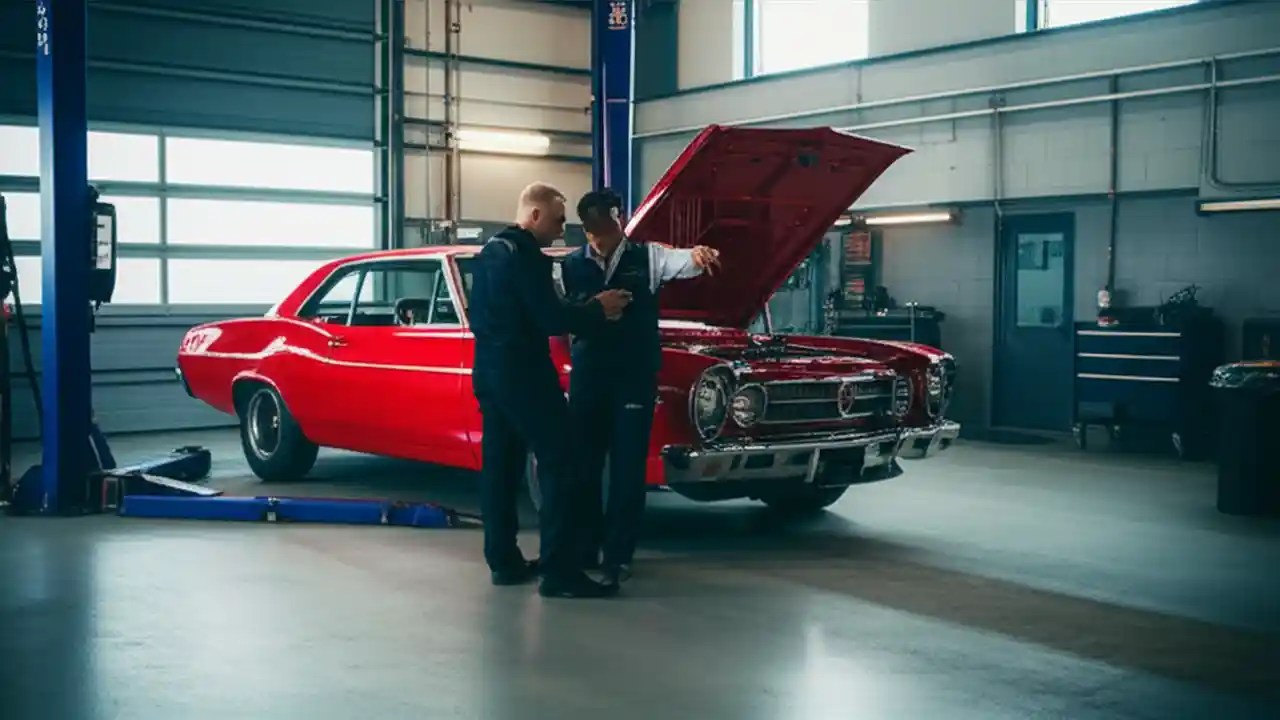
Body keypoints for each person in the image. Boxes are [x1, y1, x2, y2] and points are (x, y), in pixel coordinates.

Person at [470, 182, 632, 599]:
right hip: (524, 374)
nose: (563, 231)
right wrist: (600, 308)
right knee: (563, 461)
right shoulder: (526, 257)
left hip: (489, 372)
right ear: (536, 215)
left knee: (500, 467)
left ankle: (503, 561)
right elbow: (550, 318)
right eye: (559, 220)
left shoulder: (489, 253)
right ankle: (560, 571)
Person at [562, 188, 721, 585]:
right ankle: (584, 547)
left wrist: (699, 254)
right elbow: (558, 314)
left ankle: (618, 554)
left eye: (613, 223)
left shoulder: (648, 257)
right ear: (587, 227)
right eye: (599, 226)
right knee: (584, 464)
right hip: (589, 377)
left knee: (628, 469)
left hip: (633, 377)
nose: (608, 232)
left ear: (619, 220)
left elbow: (682, 261)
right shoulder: (568, 266)